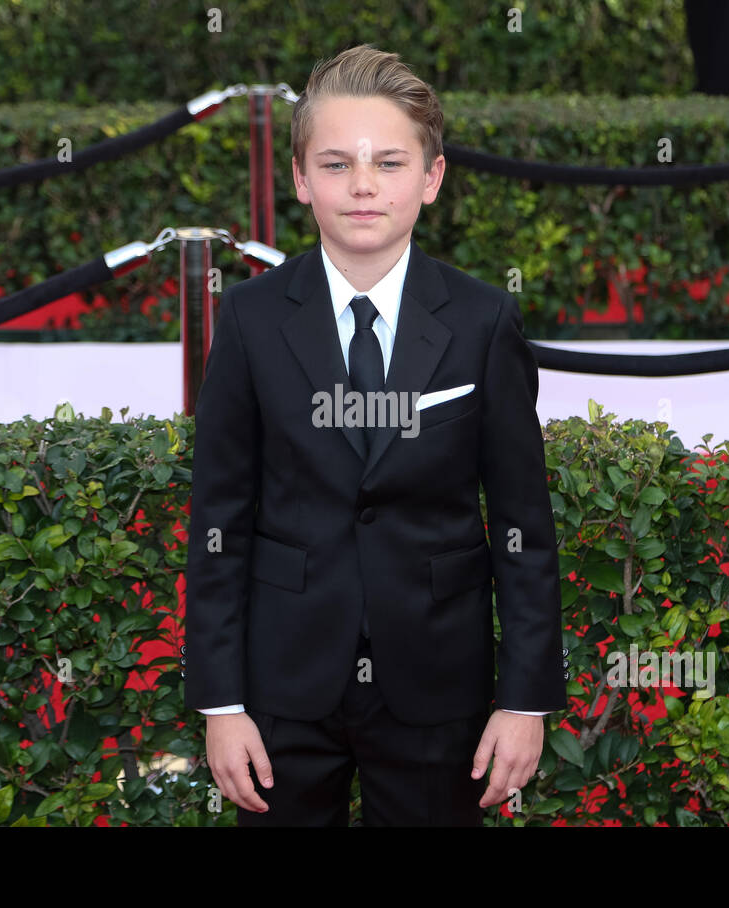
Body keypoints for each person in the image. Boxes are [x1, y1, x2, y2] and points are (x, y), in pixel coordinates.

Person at [183, 43, 566, 826]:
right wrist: (221, 703)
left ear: (431, 177)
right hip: (282, 687)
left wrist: (525, 698)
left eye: (389, 163)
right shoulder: (251, 318)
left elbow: (524, 524)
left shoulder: (483, 320)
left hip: (439, 684)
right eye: (336, 164)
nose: (362, 185)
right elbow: (219, 518)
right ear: (299, 178)